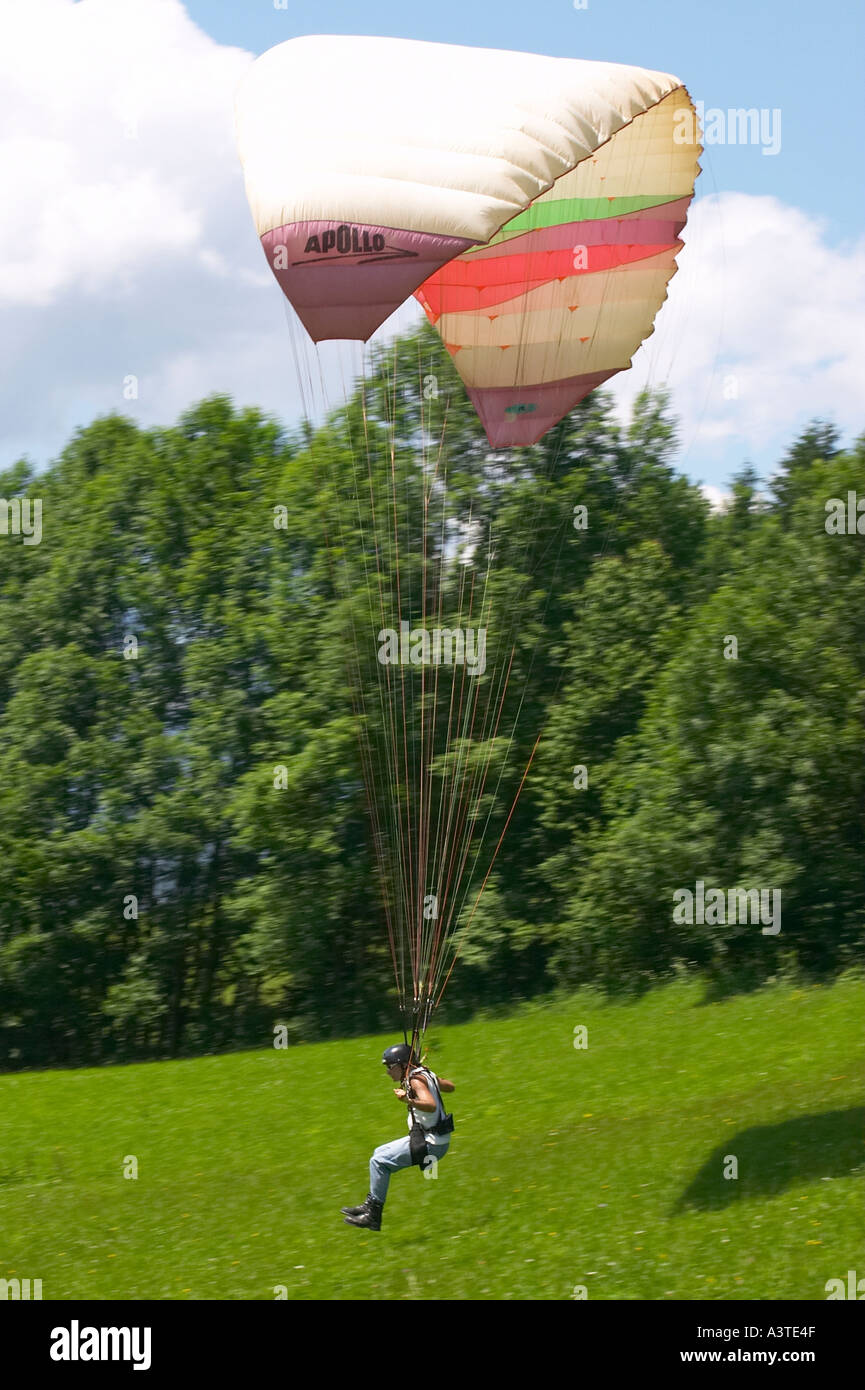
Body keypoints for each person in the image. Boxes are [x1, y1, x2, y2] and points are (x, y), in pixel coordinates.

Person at [342, 1042, 455, 1231]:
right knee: (379, 1152)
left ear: (403, 1065)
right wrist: (431, 1077)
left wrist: (408, 1099)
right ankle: (370, 1204)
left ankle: (373, 1216)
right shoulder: (424, 1075)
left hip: (431, 1144)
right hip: (437, 1139)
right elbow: (450, 1087)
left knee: (379, 1162)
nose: (387, 1072)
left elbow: (431, 1104)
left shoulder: (416, 1080)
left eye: (389, 1066)